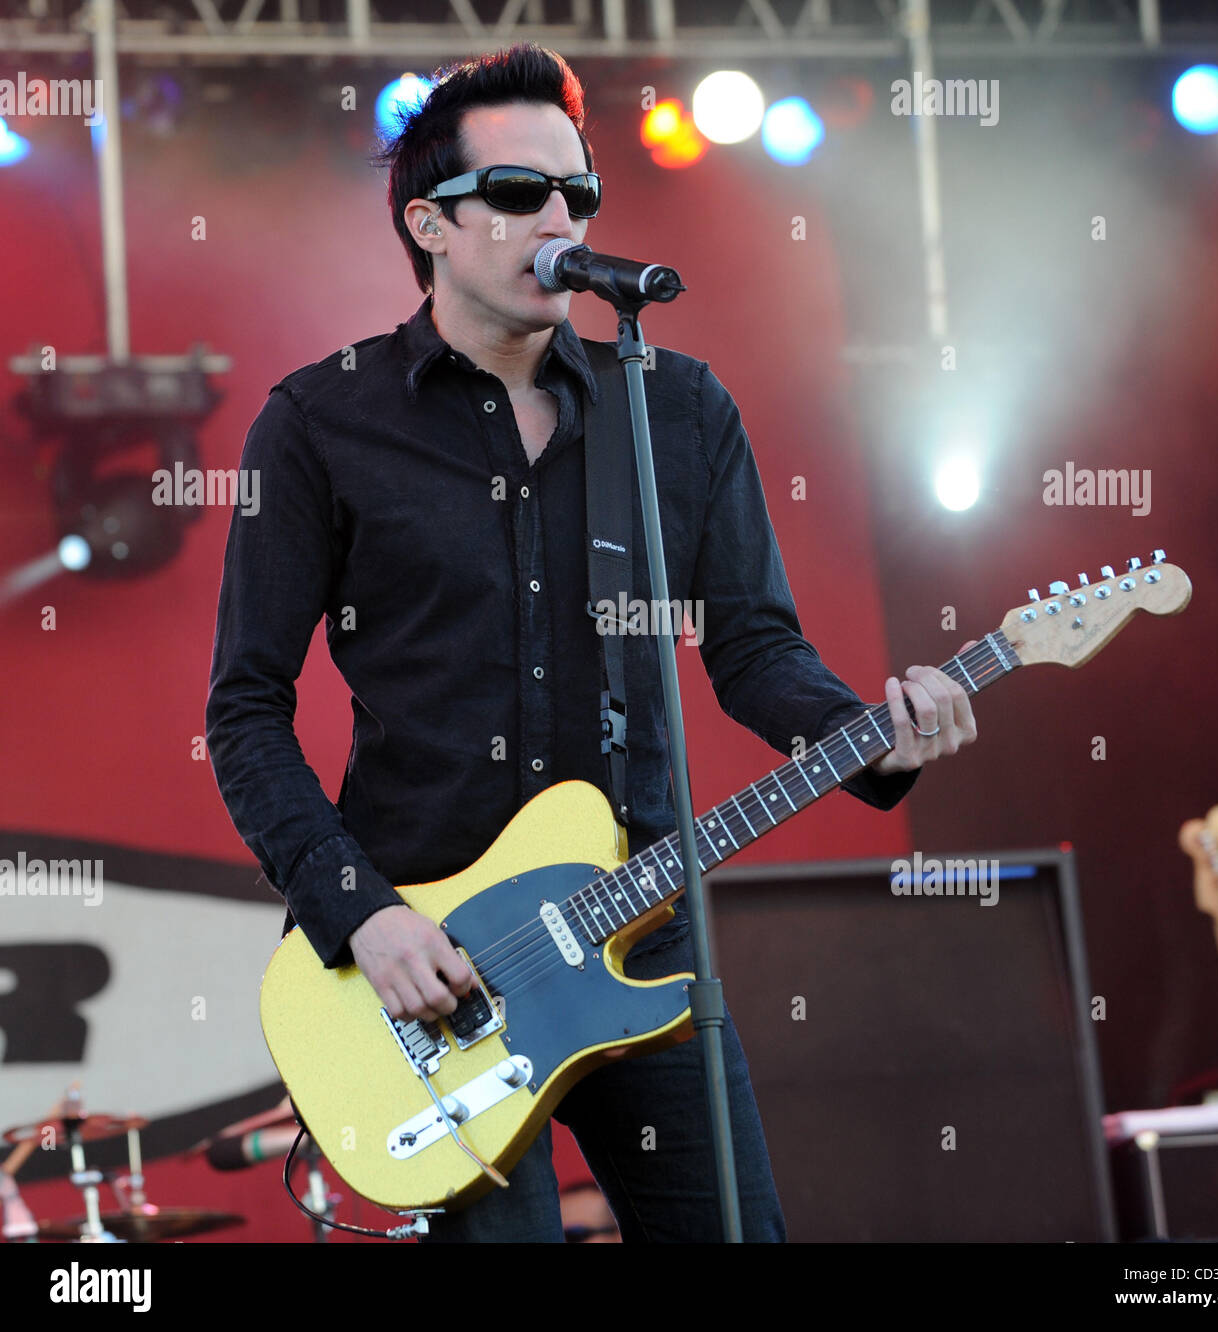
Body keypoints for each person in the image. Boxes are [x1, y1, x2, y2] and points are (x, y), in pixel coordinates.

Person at [204, 43, 977, 1243]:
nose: (558, 217)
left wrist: (873, 737)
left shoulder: (673, 407)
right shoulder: (320, 423)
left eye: (578, 194)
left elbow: (754, 647)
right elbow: (245, 710)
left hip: (637, 928)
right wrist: (362, 914)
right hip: (431, 964)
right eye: (519, 194)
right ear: (431, 223)